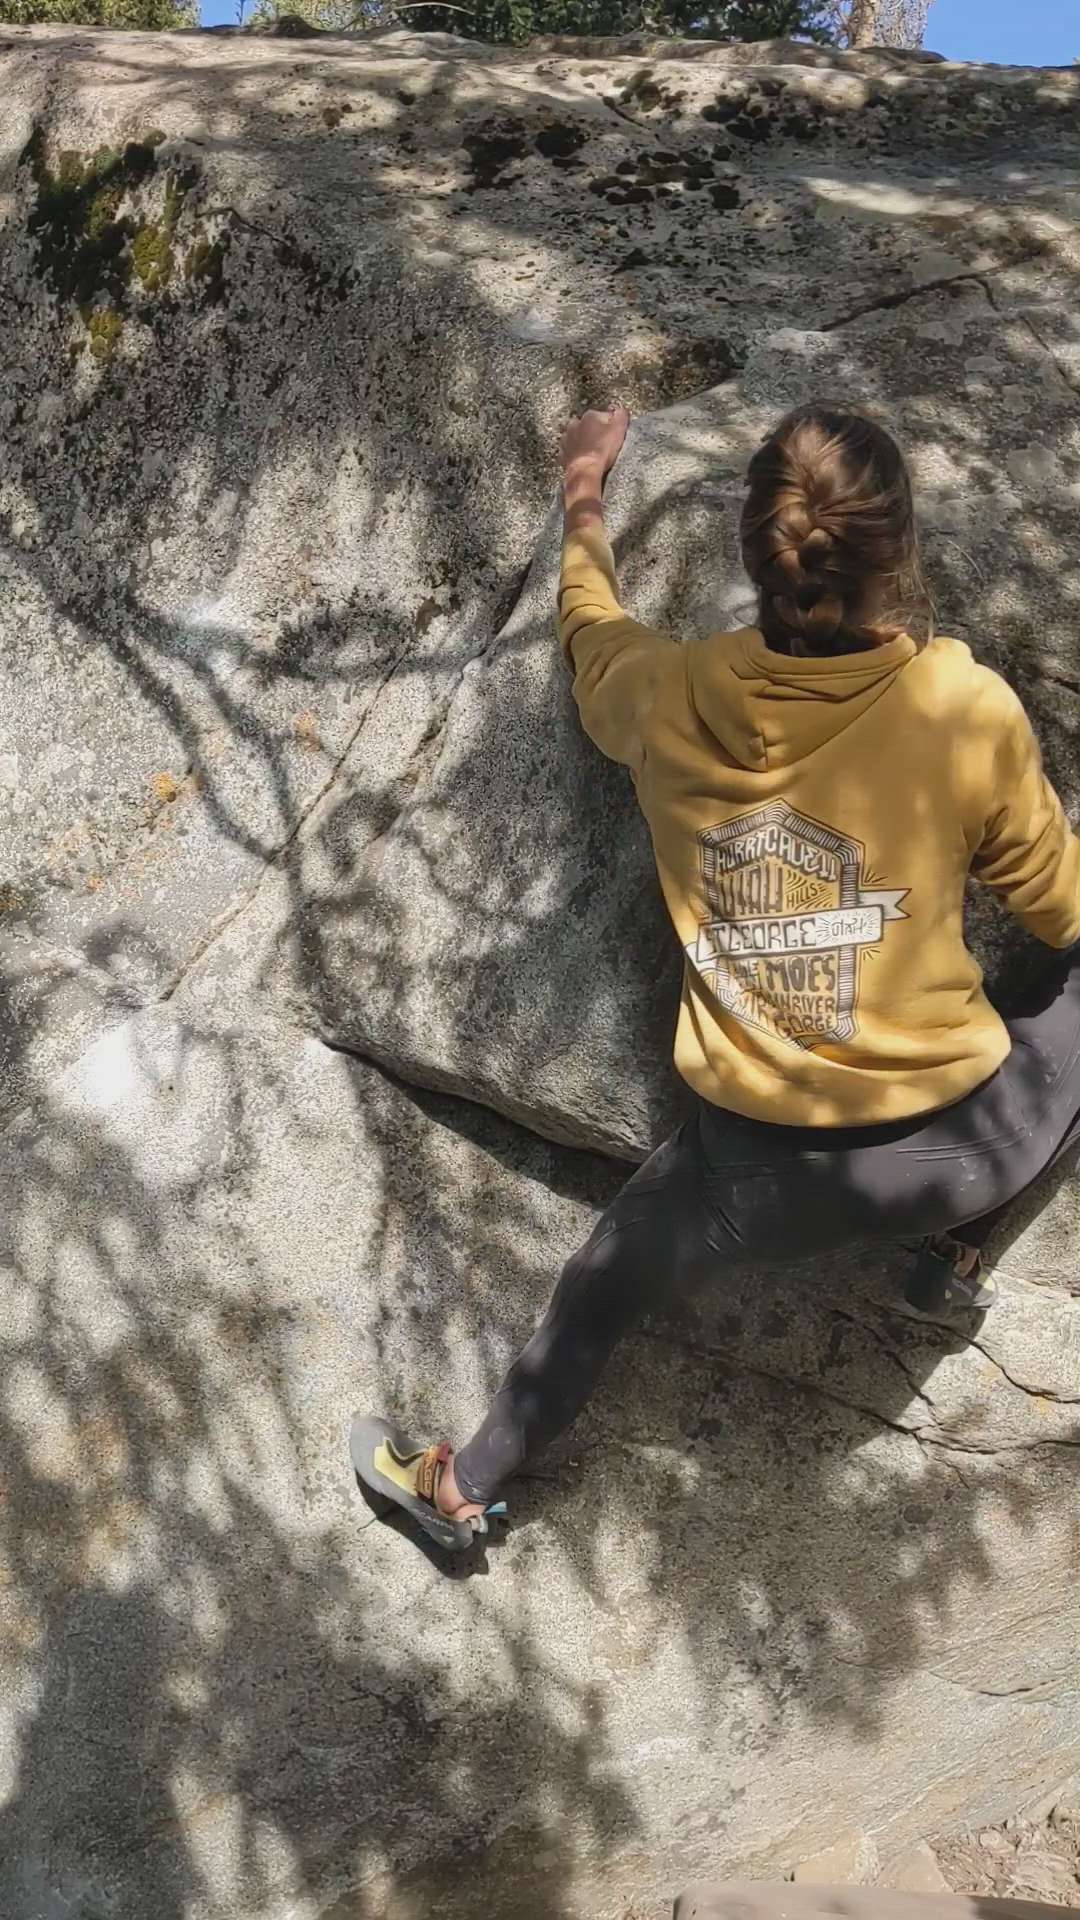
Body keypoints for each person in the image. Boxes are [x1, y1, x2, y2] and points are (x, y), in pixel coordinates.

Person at [352, 402, 1080, 1553]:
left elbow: (591, 628)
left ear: (756, 555)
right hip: (958, 1146)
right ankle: (958, 1250)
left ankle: (464, 1484)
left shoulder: (673, 692)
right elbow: (1059, 909)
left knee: (603, 1283)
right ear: (900, 558)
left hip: (746, 1171)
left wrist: (585, 491)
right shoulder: (962, 707)